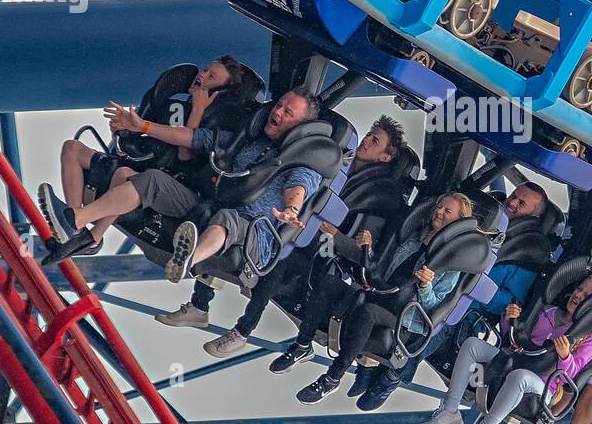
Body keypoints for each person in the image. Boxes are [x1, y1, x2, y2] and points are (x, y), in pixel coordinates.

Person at [156, 115, 408, 358]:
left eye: (375, 141)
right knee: (232, 214)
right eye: (368, 135)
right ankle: (200, 304)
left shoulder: (379, 197)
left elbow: (361, 249)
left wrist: (332, 233)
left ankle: (242, 332)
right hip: (290, 219)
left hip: (319, 251)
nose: (366, 141)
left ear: (385, 157)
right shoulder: (337, 159)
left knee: (278, 262)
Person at [38, 89, 322, 281]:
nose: (279, 111)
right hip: (207, 206)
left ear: (301, 127)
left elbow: (298, 188)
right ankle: (76, 221)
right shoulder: (247, 142)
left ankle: (187, 260)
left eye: (288, 112)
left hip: (253, 231)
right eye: (280, 105)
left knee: (228, 219)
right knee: (152, 180)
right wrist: (143, 126)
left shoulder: (303, 161)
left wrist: (290, 211)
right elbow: (192, 138)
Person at [351, 181, 550, 411]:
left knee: (445, 316)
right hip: (437, 282)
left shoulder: (527, 253)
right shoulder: (485, 218)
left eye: (521, 203)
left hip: (469, 312)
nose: (512, 202)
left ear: (532, 218)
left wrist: (470, 290)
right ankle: (368, 361)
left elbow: (509, 302)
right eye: (514, 195)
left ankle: (392, 376)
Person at [41, 56, 244, 255]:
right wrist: (122, 132)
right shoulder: (172, 105)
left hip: (171, 189)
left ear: (218, 93)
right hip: (144, 167)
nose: (203, 74)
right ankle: (74, 231)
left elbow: (185, 156)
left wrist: (198, 110)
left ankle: (91, 234)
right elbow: (135, 144)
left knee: (123, 174)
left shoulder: (217, 128)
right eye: (206, 69)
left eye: (211, 77)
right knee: (72, 149)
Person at [287, 192, 473, 404]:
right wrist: (366, 248)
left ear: (458, 222)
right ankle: (301, 346)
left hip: (403, 316)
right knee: (329, 283)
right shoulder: (413, 240)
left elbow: (434, 308)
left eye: (447, 211)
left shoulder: (450, 266)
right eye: (439, 206)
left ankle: (332, 378)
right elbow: (382, 273)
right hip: (378, 294)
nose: (439, 211)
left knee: (367, 313)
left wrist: (426, 286)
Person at [418, 272, 592, 424]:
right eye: (579, 289)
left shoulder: (588, 340)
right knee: (472, 345)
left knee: (520, 377)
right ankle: (450, 410)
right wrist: (509, 320)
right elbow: (516, 339)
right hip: (517, 359)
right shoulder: (549, 311)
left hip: (543, 386)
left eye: (586, 295)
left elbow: (570, 377)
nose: (578, 295)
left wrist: (565, 356)